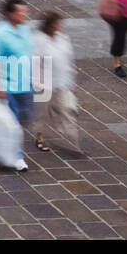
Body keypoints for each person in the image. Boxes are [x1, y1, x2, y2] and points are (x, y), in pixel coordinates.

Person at [0, 0, 34, 171]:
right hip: (9, 86)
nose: (25, 14)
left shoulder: (26, 30)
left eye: (25, 11)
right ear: (10, 14)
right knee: (12, 122)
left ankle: (2, 148)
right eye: (21, 12)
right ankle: (16, 157)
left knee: (25, 118)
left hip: (25, 84)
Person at [33, 11, 79, 154]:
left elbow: (68, 60)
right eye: (57, 24)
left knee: (67, 109)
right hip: (43, 84)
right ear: (50, 25)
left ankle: (72, 141)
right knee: (41, 113)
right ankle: (39, 138)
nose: (60, 26)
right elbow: (34, 62)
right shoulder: (39, 40)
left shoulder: (63, 39)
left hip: (62, 82)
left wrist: (71, 77)